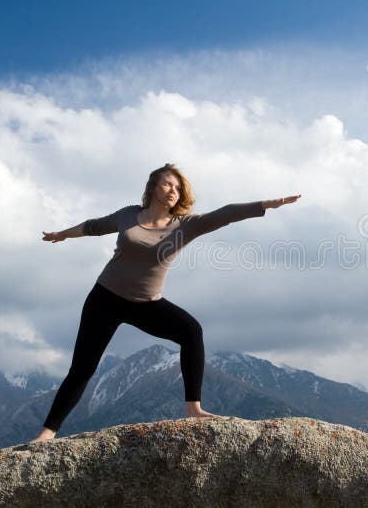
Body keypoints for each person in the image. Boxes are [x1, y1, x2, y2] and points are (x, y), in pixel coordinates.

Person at [31, 163, 300, 442]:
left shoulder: (185, 226)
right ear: (153, 187)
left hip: (146, 304)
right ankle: (47, 432)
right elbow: (93, 227)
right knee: (82, 369)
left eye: (178, 187)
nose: (174, 190)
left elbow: (227, 214)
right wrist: (62, 234)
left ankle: (193, 408)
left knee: (191, 331)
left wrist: (268, 204)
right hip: (104, 298)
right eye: (168, 184)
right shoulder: (128, 215)